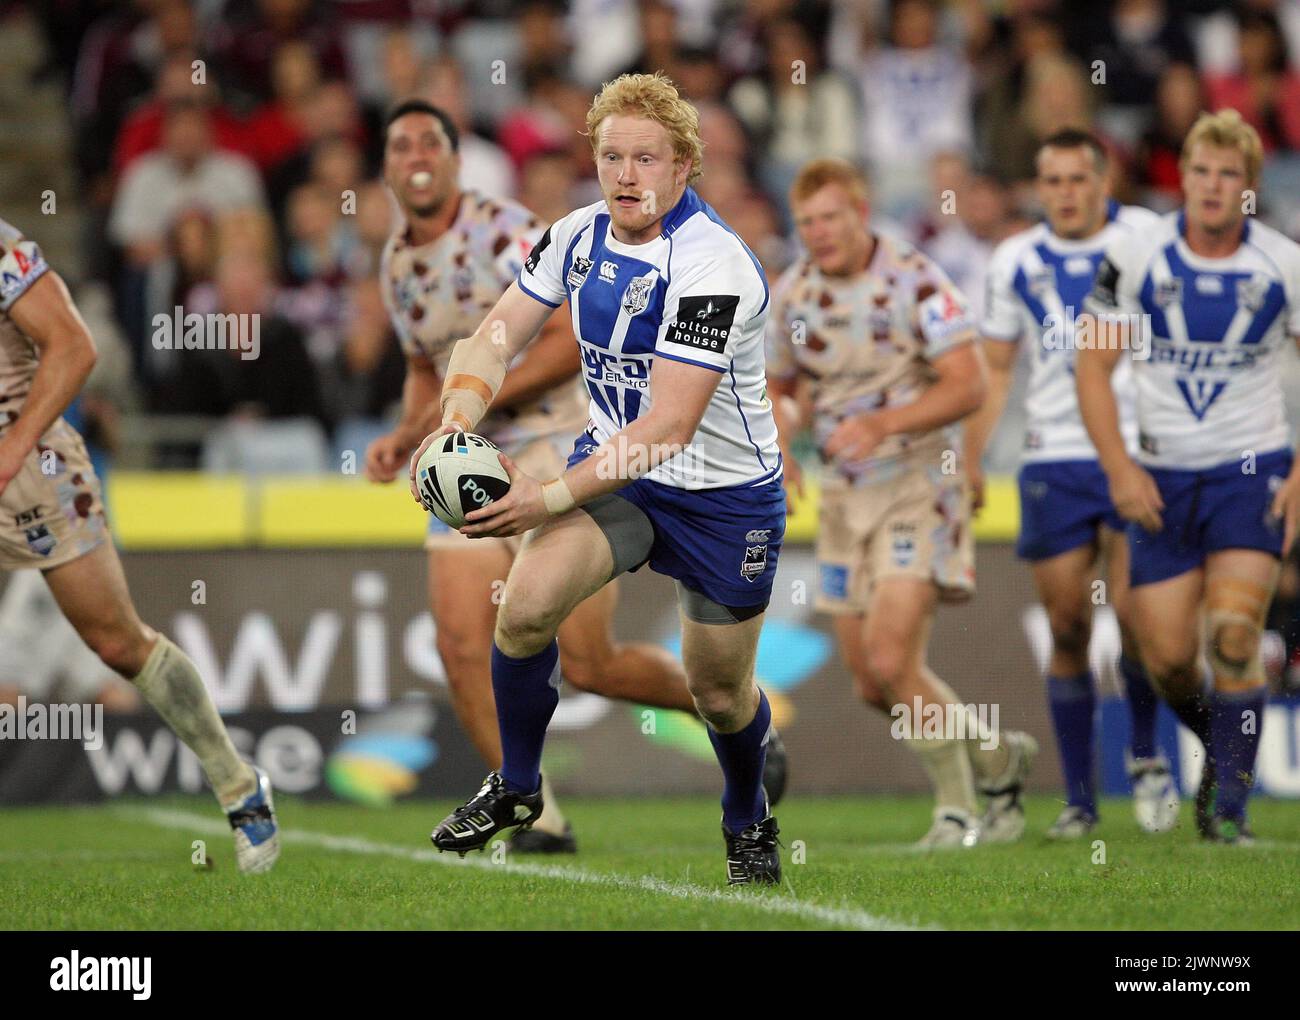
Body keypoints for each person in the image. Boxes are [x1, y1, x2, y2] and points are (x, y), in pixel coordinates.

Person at [368, 99, 784, 856]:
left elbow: (668, 427)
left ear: (684, 166)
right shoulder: (574, 235)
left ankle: (746, 816)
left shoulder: (712, 264)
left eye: (647, 159)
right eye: (612, 157)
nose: (626, 176)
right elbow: (493, 335)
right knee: (523, 607)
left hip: (723, 496)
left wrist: (544, 497)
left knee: (720, 695)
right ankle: (520, 788)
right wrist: (458, 415)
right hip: (623, 476)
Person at [767, 158, 1035, 848]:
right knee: (869, 682)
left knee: (892, 660)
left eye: (830, 217)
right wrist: (782, 443)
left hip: (919, 482)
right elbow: (780, 386)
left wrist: (884, 423)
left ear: (861, 212)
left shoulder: (915, 280)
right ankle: (998, 757)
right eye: (806, 224)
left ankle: (957, 810)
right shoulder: (792, 295)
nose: (819, 233)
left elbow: (969, 383)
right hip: (843, 498)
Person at [0, 216, 277, 871]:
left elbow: (74, 348)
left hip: (29, 465)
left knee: (116, 641)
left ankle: (237, 783)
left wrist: (11, 451)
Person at [1077, 110, 1300, 844]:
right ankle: (1223, 747)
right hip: (1161, 477)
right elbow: (1093, 365)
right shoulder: (1138, 255)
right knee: (1169, 656)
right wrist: (1119, 467)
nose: (1211, 185)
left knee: (1235, 637)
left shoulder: (1283, 263)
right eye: (1200, 171)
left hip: (1252, 472)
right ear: (1185, 177)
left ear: (1248, 187)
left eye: (1227, 174)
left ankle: (1227, 810)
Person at [967, 129, 1176, 839]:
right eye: (1050, 180)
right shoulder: (1014, 257)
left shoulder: (1149, 236)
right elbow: (996, 369)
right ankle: (1082, 800)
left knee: (1139, 621)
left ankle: (1146, 758)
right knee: (1067, 624)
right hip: (1051, 453)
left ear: (1103, 179)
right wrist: (968, 455)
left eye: (1076, 179)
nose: (1064, 193)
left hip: (1139, 449)